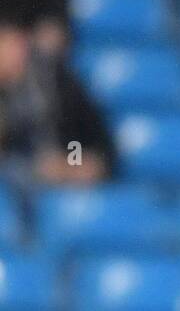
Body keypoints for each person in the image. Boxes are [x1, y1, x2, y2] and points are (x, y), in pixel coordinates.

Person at [0, 19, 113, 186]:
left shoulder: (59, 85)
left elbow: (83, 141)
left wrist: (72, 162)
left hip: (58, 179)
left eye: (12, 43)